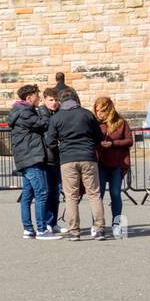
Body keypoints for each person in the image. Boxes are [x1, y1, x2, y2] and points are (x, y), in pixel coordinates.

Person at [46, 91, 105, 240]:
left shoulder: (57, 117)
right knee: (94, 194)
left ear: (61, 101)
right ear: (76, 100)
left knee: (71, 196)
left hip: (68, 159)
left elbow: (50, 141)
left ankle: (74, 231)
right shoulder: (87, 114)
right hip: (88, 157)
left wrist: (61, 147)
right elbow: (99, 136)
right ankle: (99, 229)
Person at [9, 85, 57, 239]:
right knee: (42, 192)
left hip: (26, 157)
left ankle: (28, 229)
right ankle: (42, 229)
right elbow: (43, 124)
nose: (39, 98)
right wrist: (44, 112)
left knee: (28, 195)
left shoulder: (22, 111)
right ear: (29, 97)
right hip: (31, 158)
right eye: (37, 95)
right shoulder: (26, 112)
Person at [94, 97, 132, 236]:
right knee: (99, 195)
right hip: (100, 163)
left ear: (109, 110)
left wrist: (113, 144)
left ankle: (116, 223)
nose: (99, 113)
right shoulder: (95, 123)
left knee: (115, 194)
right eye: (97, 110)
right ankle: (97, 224)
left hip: (116, 163)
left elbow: (129, 140)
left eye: (102, 110)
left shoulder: (121, 122)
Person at [39, 87, 63, 232]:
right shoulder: (42, 113)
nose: (54, 103)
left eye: (56, 100)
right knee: (47, 192)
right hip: (47, 158)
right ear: (45, 100)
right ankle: (46, 222)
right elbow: (49, 135)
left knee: (56, 192)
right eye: (51, 100)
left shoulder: (60, 112)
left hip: (59, 158)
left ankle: (53, 222)